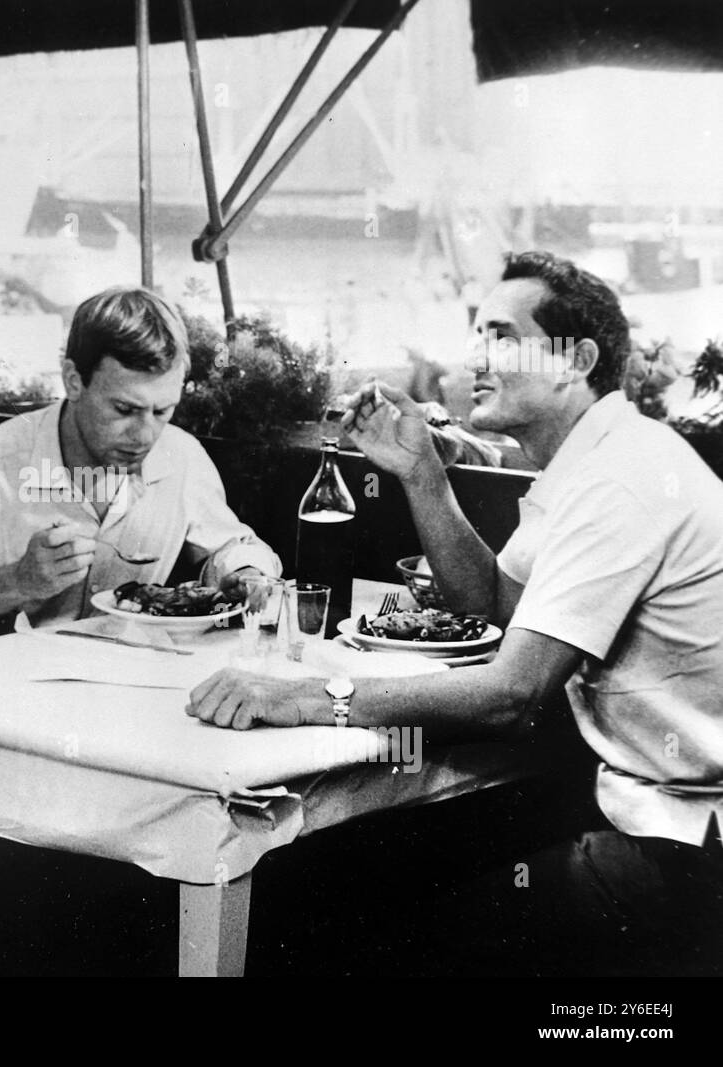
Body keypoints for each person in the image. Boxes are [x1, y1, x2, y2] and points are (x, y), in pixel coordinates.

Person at [186, 251, 723, 975]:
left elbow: (510, 695)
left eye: (502, 335)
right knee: (372, 881)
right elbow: (499, 607)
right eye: (476, 333)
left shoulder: (619, 480)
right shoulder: (594, 459)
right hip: (641, 808)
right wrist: (424, 476)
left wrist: (303, 696)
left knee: (384, 939)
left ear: (576, 360)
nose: (477, 355)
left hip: (687, 848)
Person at [0, 286, 280, 657]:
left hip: (122, 696)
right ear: (73, 381)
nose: (145, 434)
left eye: (162, 410)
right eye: (124, 409)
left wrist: (245, 572)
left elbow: (231, 548)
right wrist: (15, 582)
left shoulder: (180, 457)